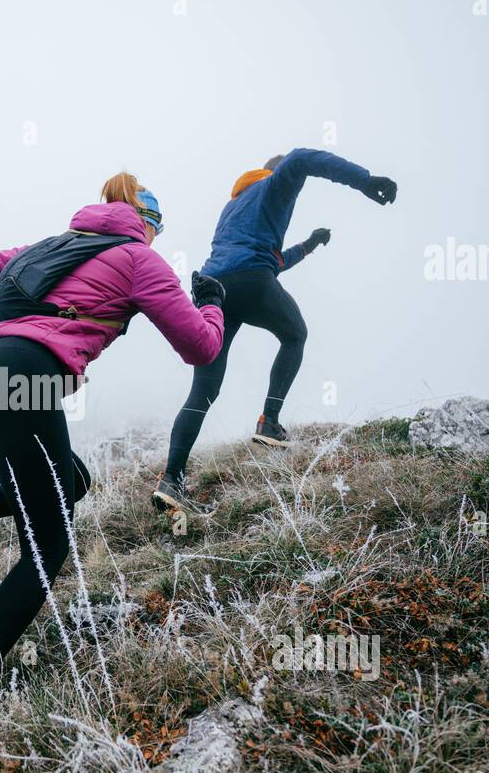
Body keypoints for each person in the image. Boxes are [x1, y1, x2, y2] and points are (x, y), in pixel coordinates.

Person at [0, 173, 225, 744]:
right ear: (146, 222)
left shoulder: (48, 247)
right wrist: (211, 305)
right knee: (48, 546)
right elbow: (200, 346)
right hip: (20, 382)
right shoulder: (138, 259)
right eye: (157, 226)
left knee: (70, 478)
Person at [153, 149, 398, 516]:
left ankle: (172, 479)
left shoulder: (235, 205)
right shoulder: (275, 183)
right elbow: (301, 158)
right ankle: (270, 421)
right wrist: (366, 181)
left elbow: (269, 259)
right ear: (274, 173)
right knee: (295, 334)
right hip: (250, 278)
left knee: (204, 389)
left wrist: (309, 246)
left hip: (214, 288)